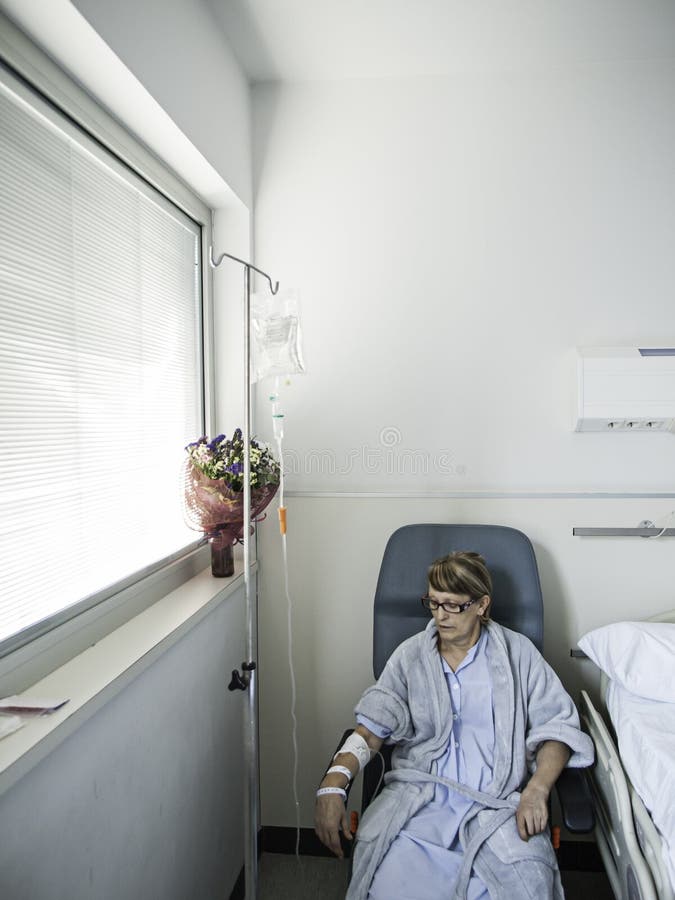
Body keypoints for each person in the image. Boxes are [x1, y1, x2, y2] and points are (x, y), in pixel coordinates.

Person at [314, 551, 594, 900]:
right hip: (420, 806)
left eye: (453, 605)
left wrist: (537, 790)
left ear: (481, 605)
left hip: (498, 807)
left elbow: (557, 729)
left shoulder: (517, 654)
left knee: (521, 887)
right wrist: (333, 785)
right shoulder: (410, 656)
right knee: (386, 887)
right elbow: (370, 731)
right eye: (432, 603)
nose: (441, 616)